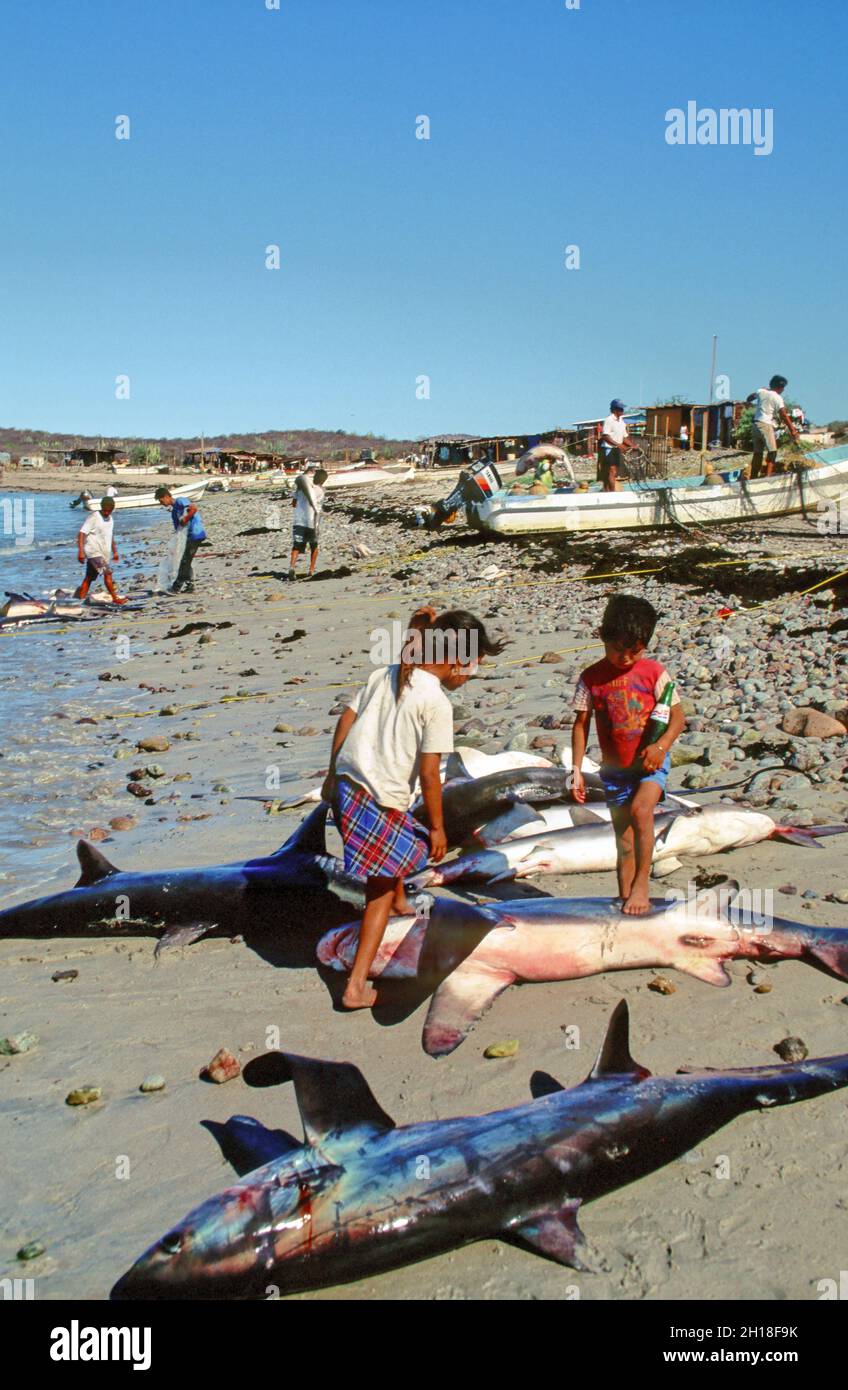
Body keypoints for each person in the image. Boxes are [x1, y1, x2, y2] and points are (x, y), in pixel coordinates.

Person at [321, 605, 504, 1009]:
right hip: (378, 798)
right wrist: (439, 827)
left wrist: (332, 774)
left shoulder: (388, 672)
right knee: (379, 891)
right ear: (458, 660)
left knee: (401, 843)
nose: (471, 675)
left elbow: (346, 718)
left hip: (352, 787)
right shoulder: (436, 702)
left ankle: (402, 900)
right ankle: (355, 986)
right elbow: (429, 773)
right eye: (473, 666)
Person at [571, 593, 685, 915]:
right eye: (617, 649)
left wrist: (661, 747)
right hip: (615, 771)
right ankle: (625, 900)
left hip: (650, 764)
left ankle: (642, 885)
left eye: (634, 651)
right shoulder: (590, 679)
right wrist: (575, 770)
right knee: (624, 843)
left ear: (645, 645)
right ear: (603, 637)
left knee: (641, 810)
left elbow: (678, 718)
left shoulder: (654, 673)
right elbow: (580, 725)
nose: (624, 658)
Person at [746, 375, 800, 478]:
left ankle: (753, 476)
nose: (783, 390)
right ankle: (768, 476)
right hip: (765, 424)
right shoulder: (777, 397)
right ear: (780, 387)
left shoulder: (761, 391)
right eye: (783, 388)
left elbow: (749, 398)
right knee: (772, 451)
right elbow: (783, 414)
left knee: (758, 453)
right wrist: (792, 430)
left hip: (755, 425)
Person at [154, 487, 207, 593]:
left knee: (185, 562)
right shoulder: (174, 513)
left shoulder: (180, 501)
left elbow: (193, 509)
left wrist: (185, 519)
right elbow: (178, 529)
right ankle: (190, 585)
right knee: (186, 560)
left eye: (161, 500)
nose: (161, 503)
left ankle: (176, 587)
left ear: (166, 496)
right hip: (187, 536)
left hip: (196, 533)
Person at [75, 496, 126, 603]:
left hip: (103, 552)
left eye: (109, 510)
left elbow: (109, 535)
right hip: (93, 551)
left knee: (89, 578)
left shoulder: (111, 519)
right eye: (105, 510)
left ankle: (80, 600)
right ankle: (115, 598)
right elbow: (81, 533)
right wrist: (81, 552)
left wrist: (115, 551)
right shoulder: (94, 517)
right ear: (101, 507)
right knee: (107, 573)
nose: (107, 513)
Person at [289, 467, 328, 580]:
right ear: (323, 480)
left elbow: (294, 503)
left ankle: (292, 567)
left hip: (299, 520)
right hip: (312, 521)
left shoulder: (301, 488)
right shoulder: (321, 491)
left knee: (296, 546)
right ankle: (311, 570)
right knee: (313, 545)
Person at [598, 399, 632, 490]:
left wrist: (633, 445)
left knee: (614, 471)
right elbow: (605, 436)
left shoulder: (621, 421)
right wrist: (619, 445)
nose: (622, 411)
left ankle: (608, 490)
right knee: (611, 471)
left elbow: (624, 437)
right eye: (620, 409)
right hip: (608, 449)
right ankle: (612, 493)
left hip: (616, 449)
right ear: (614, 410)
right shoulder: (609, 420)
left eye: (622, 409)